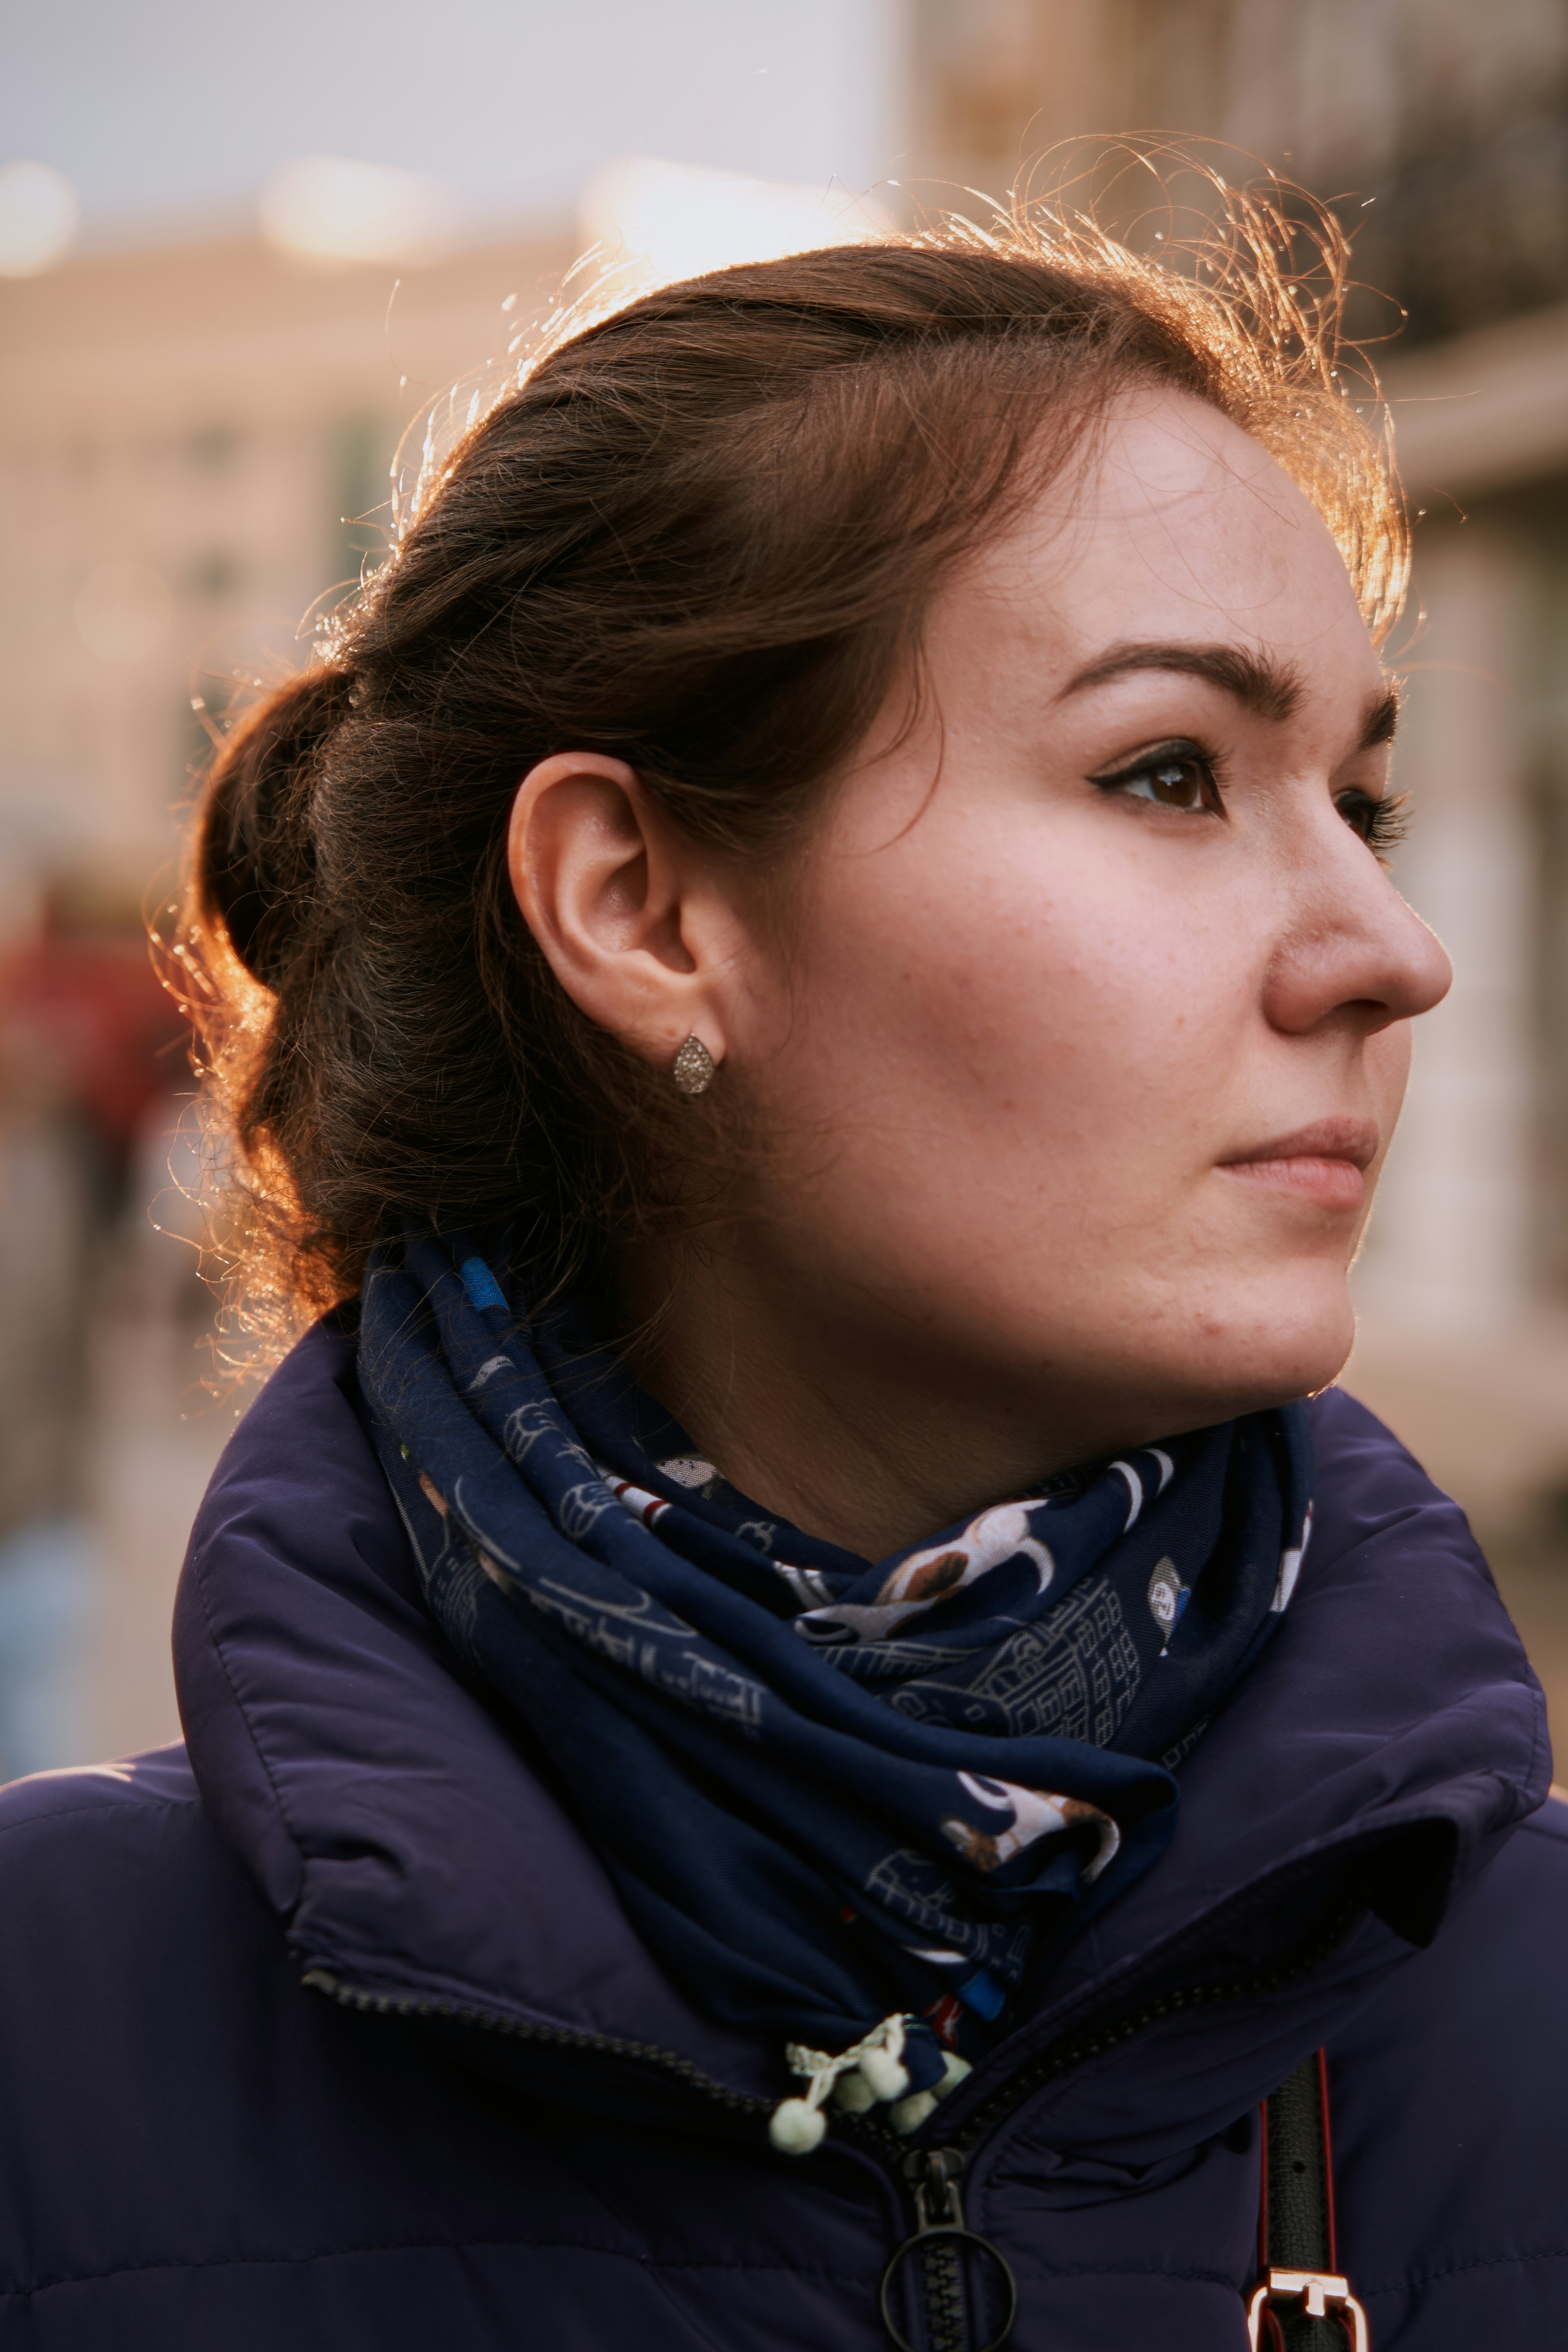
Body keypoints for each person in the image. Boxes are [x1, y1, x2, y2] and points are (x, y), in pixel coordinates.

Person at [0, 181, 1562, 2352]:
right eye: (1168, 772)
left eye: (1357, 805)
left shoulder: (1524, 2010)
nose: (1390, 954)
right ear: (638, 905)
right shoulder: (54, 2048)